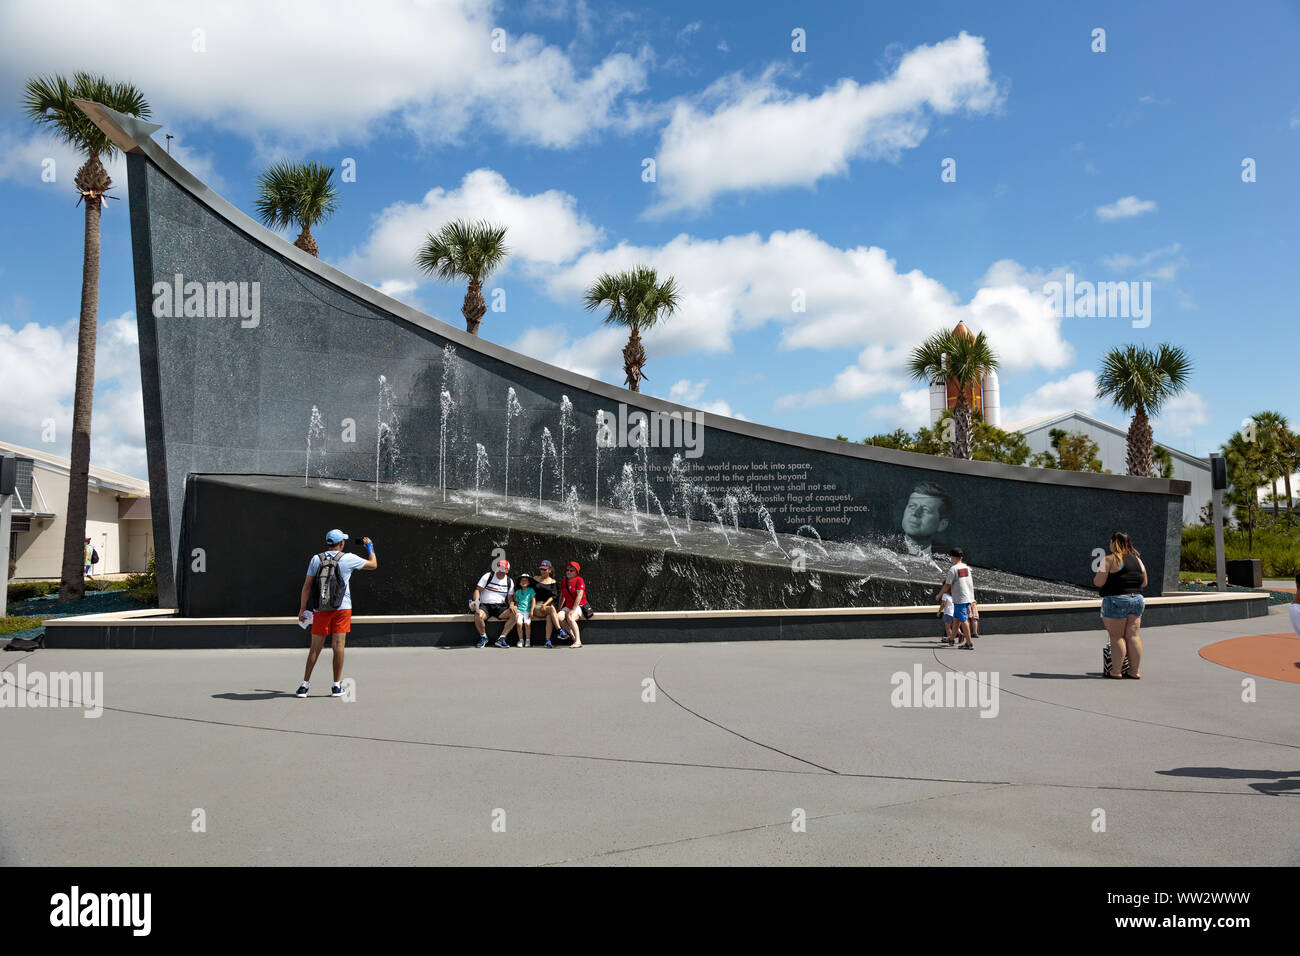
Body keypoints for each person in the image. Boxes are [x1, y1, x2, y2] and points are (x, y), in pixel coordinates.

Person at [296, 530, 377, 698]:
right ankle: (336, 686)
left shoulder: (316, 559)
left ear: (328, 542)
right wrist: (370, 547)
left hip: (321, 608)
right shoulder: (349, 558)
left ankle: (304, 686)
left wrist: (302, 609)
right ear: (341, 543)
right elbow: (373, 564)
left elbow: (307, 586)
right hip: (342, 608)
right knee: (338, 647)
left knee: (315, 648)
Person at [1095, 531, 1147, 679]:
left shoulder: (1109, 559)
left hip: (1116, 600)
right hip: (1137, 599)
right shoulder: (1138, 560)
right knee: (1133, 636)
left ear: (1113, 543)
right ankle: (1134, 671)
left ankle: (1116, 671)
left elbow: (1098, 582)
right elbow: (1144, 582)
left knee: (1116, 636)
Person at [936, 547, 975, 649]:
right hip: (967, 597)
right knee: (957, 619)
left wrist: (939, 595)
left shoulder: (953, 569)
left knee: (963, 619)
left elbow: (947, 585)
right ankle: (951, 639)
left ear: (953, 557)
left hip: (959, 599)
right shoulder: (967, 568)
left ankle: (969, 643)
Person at [471, 558, 515, 648]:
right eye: (499, 567)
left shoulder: (509, 581)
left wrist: (512, 605)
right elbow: (477, 590)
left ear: (507, 570)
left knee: (516, 614)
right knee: (478, 614)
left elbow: (510, 598)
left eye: (503, 568)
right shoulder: (488, 576)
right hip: (485, 606)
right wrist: (475, 602)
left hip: (500, 607)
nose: (500, 569)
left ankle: (501, 639)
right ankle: (483, 637)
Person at [900, 482, 952, 556]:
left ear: (942, 525)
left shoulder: (951, 558)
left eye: (926, 510)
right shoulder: (882, 548)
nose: (915, 513)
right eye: (912, 506)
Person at [552, 560, 586, 649]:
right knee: (558, 617)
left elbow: (579, 596)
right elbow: (562, 596)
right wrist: (559, 608)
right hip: (568, 606)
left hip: (579, 606)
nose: (568, 572)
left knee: (570, 617)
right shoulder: (564, 581)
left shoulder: (579, 580)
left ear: (576, 572)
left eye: (571, 570)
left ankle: (578, 641)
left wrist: (573, 610)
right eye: (567, 570)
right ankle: (573, 636)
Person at [531, 560, 560, 647]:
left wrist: (545, 604)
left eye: (544, 569)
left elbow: (554, 596)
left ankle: (547, 641)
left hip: (546, 606)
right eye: (541, 569)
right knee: (551, 609)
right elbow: (531, 594)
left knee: (549, 615)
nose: (542, 571)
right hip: (536, 605)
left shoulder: (553, 582)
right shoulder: (535, 579)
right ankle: (559, 630)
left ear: (549, 570)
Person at [513, 573, 536, 647]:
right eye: (522, 580)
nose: (524, 582)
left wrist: (532, 610)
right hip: (519, 611)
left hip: (527, 611)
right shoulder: (518, 592)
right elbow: (516, 603)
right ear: (519, 583)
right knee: (519, 624)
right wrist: (516, 611)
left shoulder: (531, 590)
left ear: (529, 582)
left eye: (526, 580)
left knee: (527, 624)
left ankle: (528, 640)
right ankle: (521, 640)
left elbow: (533, 601)